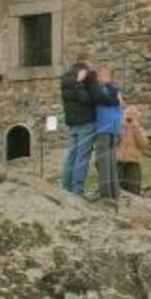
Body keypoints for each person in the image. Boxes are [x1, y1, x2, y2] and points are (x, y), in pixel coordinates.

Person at [59, 53, 99, 196]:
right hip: (86, 121)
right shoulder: (88, 75)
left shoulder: (65, 77)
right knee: (82, 157)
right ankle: (77, 190)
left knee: (71, 155)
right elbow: (87, 99)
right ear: (87, 61)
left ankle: (65, 188)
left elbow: (66, 99)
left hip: (72, 122)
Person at [92, 69, 124, 203]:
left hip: (103, 126)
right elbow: (120, 107)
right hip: (113, 127)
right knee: (111, 160)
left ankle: (105, 193)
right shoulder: (116, 91)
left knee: (103, 161)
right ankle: (114, 191)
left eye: (103, 75)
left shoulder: (102, 90)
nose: (100, 78)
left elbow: (101, 99)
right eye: (99, 75)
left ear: (109, 77)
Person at [117, 105, 151, 196]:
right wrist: (122, 126)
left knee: (134, 187)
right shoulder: (119, 126)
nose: (129, 118)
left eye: (133, 115)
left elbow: (144, 144)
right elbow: (114, 141)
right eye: (127, 115)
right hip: (119, 161)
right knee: (118, 186)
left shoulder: (139, 129)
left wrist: (135, 127)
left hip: (133, 162)